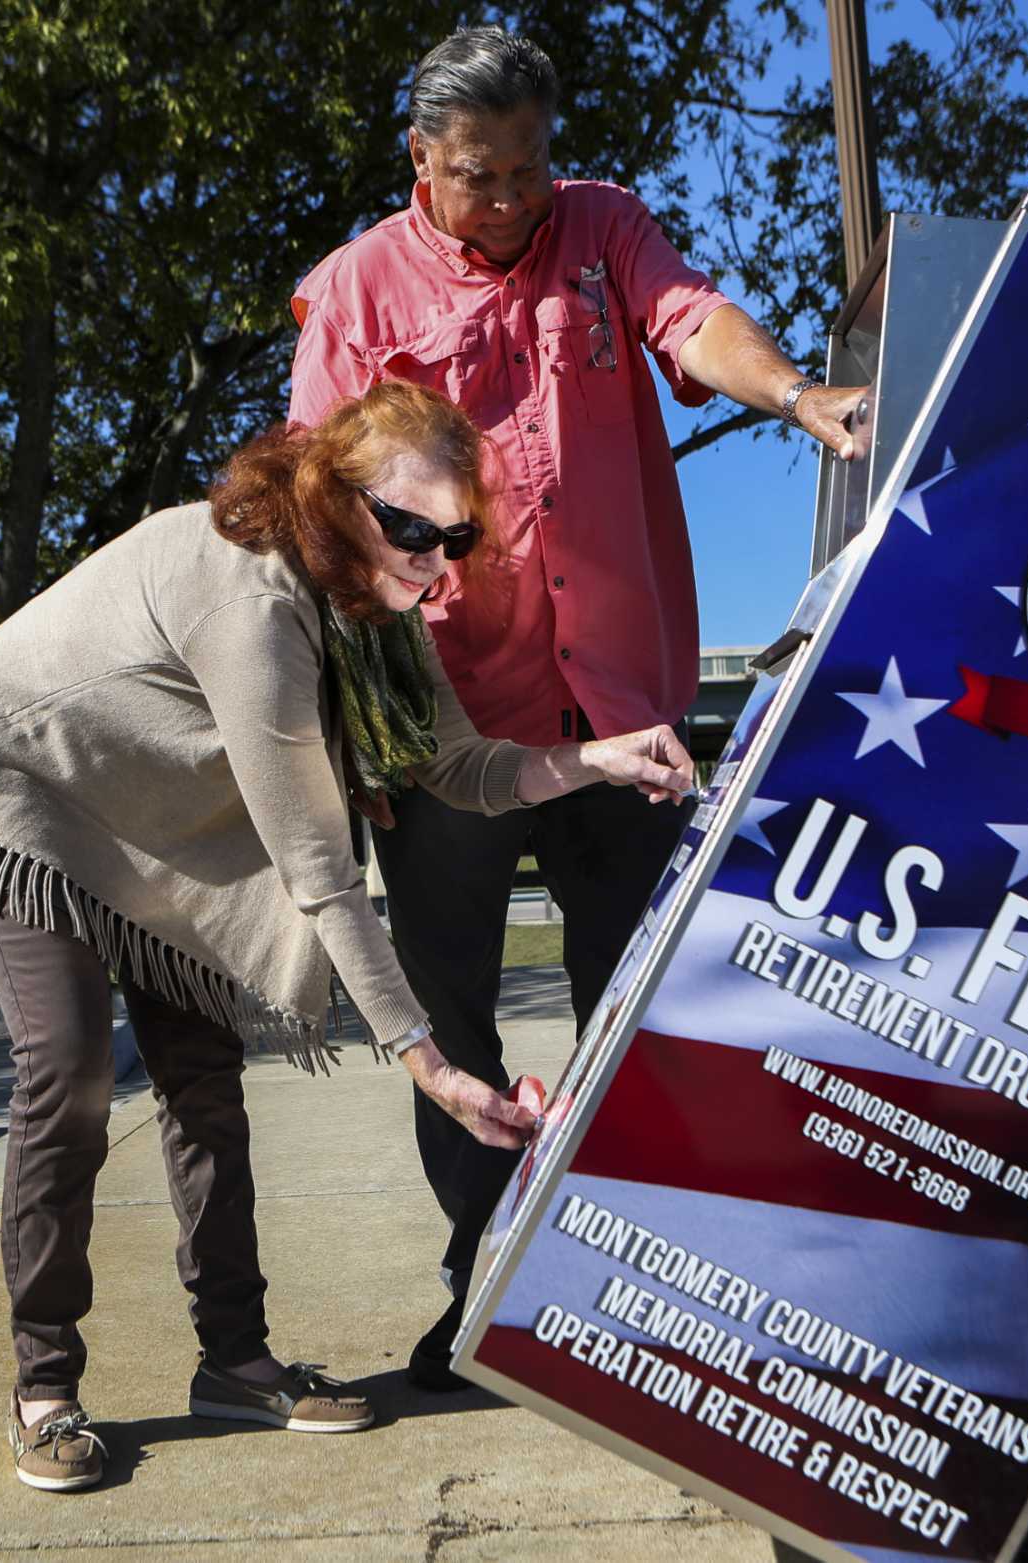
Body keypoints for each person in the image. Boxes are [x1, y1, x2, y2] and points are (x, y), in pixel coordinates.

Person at [0, 380, 692, 1493]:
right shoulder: (258, 601)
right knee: (70, 1075)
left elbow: (456, 767)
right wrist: (429, 1064)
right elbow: (318, 870)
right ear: (329, 494)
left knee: (202, 1081)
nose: (430, 560)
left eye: (453, 537)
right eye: (407, 529)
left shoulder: (374, 608)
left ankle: (233, 1360)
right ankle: (45, 1387)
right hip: (13, 786)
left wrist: (595, 758)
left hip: (151, 818)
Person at [288, 24, 869, 1390]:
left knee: (643, 1003)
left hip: (619, 706)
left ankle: (643, 1281)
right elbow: (317, 519)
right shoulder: (357, 291)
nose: (513, 199)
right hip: (447, 731)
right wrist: (350, 735)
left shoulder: (603, 230)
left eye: (532, 167)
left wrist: (798, 396)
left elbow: (692, 320)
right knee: (458, 1021)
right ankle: (488, 1286)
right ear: (421, 160)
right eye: (482, 174)